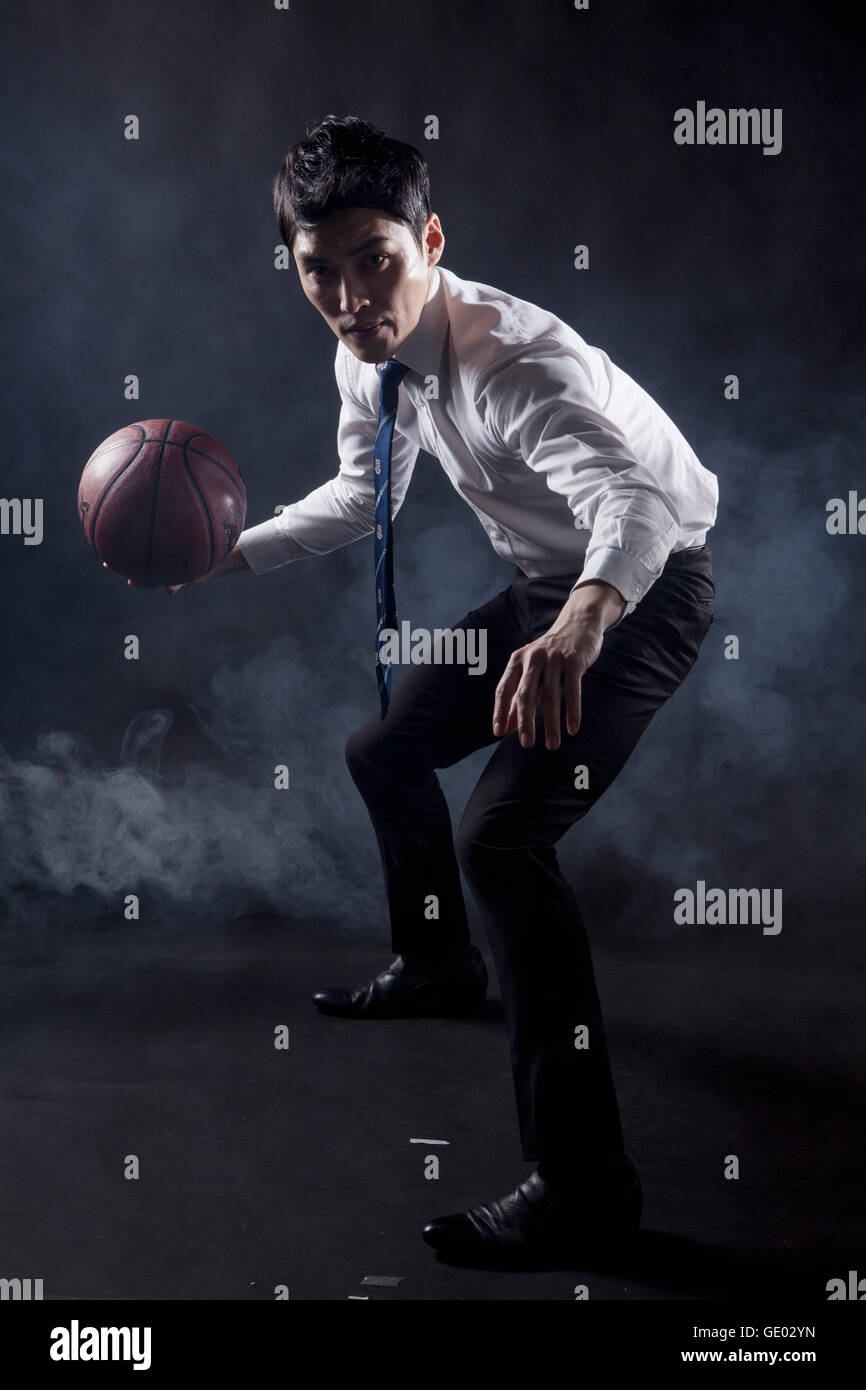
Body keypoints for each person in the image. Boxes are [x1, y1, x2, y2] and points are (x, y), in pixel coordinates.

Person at [150, 114, 719, 1267]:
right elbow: (368, 495)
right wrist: (230, 550)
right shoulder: (364, 351)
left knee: (502, 841)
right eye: (323, 272)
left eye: (377, 262)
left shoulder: (513, 358)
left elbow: (639, 509)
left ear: (430, 240)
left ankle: (584, 1191)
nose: (354, 297)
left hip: (636, 595)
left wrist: (577, 627)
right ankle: (436, 959)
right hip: (541, 591)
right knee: (384, 750)